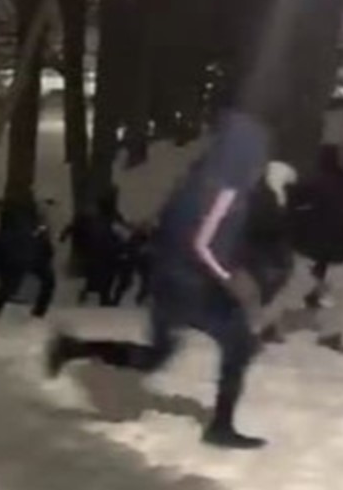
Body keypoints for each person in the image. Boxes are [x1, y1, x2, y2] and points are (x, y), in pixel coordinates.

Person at [47, 110, 272, 449]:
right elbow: (202, 243)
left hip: (168, 278)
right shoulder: (227, 187)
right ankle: (220, 427)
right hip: (192, 284)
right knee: (239, 344)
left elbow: (167, 220)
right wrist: (230, 277)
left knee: (157, 355)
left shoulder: (198, 176)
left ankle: (72, 347)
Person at [262, 140, 343, 353]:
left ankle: (329, 333)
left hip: (332, 257)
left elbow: (341, 229)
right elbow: (309, 218)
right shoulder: (329, 184)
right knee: (290, 292)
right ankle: (262, 327)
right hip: (312, 254)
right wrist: (319, 260)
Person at [0, 195, 56, 318]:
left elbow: (0, 241)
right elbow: (42, 240)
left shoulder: (11, 223)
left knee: (9, 285)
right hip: (30, 255)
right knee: (48, 281)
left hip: (19, 256)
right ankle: (39, 312)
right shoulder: (32, 223)